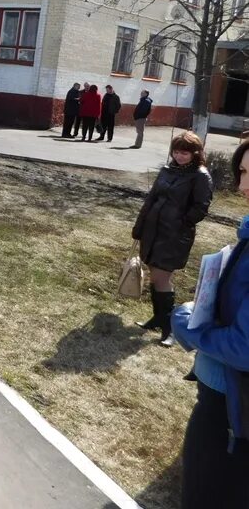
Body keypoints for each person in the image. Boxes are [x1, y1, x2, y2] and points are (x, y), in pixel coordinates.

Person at [172, 138, 249, 507]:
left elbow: (244, 347)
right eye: (243, 172)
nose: (243, 186)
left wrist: (191, 327)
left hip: (231, 409)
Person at [133, 131, 213, 346]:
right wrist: (139, 226)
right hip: (153, 230)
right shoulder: (167, 170)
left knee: (162, 278)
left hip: (174, 235)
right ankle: (158, 318)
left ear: (195, 153)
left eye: (184, 153)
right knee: (154, 276)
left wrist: (181, 222)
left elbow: (201, 207)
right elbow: (151, 199)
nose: (179, 156)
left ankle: (170, 327)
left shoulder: (200, 175)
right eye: (176, 152)